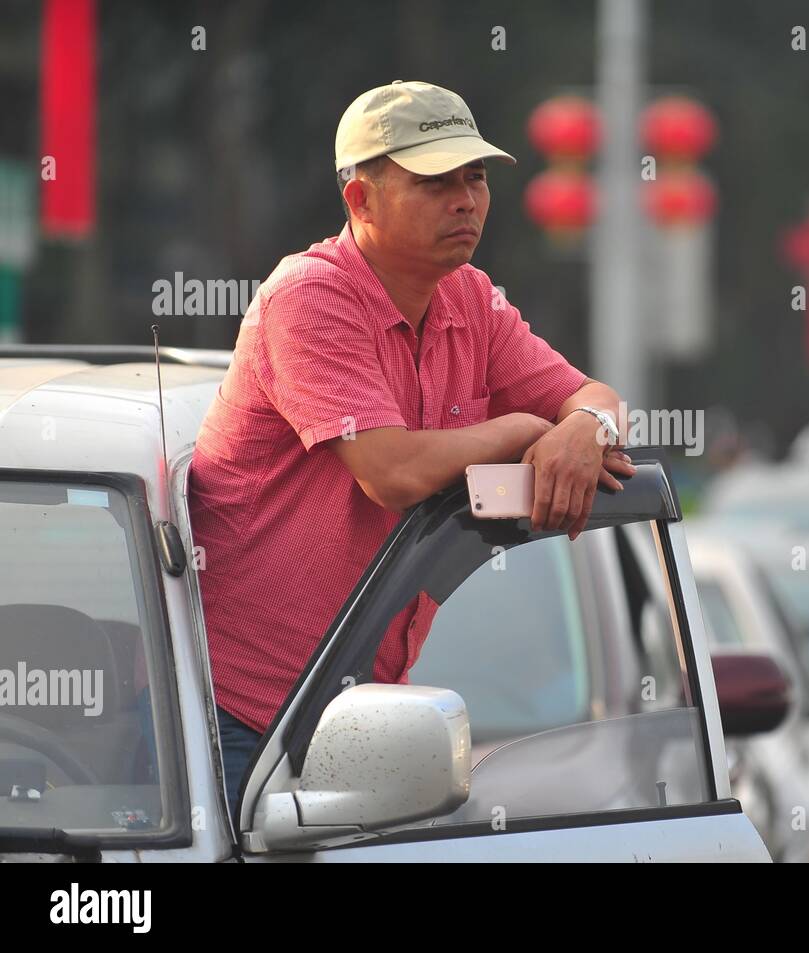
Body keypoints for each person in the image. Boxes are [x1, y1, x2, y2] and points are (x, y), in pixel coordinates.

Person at [188, 80, 634, 814]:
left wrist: (588, 432)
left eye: (476, 177)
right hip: (239, 720)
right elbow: (391, 473)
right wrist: (526, 431)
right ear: (360, 201)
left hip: (360, 721)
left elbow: (595, 397)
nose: (465, 200)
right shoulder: (308, 297)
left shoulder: (472, 298)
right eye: (435, 181)